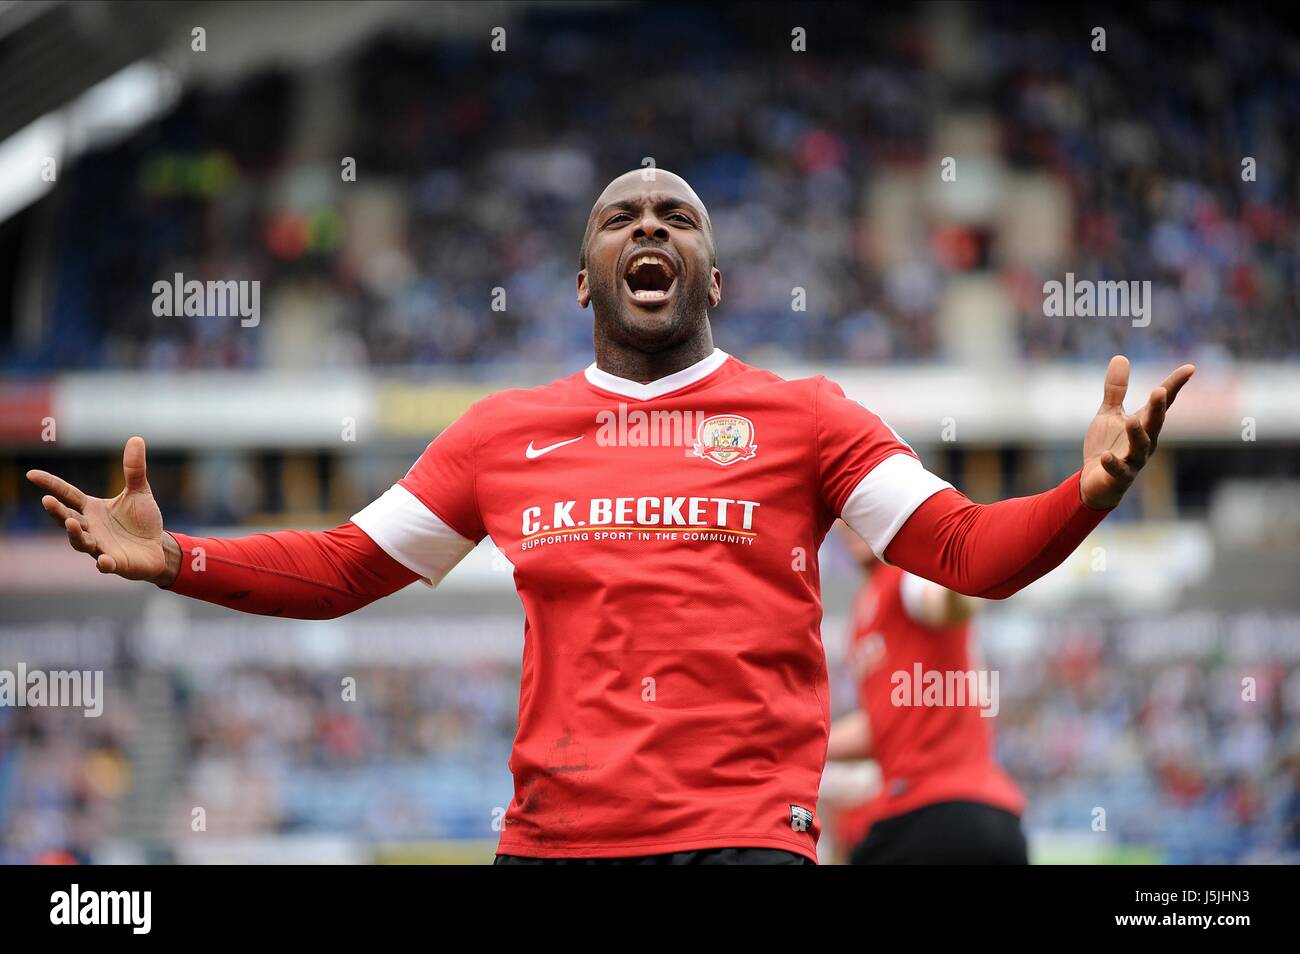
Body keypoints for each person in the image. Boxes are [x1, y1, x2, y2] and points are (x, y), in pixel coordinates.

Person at [27, 168, 1194, 864]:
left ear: (713, 276)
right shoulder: (497, 435)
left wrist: (1081, 497)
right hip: (553, 847)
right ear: (584, 275)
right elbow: (342, 568)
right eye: (622, 216)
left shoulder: (806, 417)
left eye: (677, 218)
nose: (649, 227)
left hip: (745, 847)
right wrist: (178, 557)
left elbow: (963, 551)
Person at [826, 523, 1027, 864]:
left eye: (859, 511)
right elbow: (883, 727)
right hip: (992, 819)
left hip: (933, 814)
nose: (849, 524)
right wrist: (791, 744)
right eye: (841, 515)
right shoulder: (867, 611)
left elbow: (945, 603)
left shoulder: (907, 574)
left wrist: (962, 589)